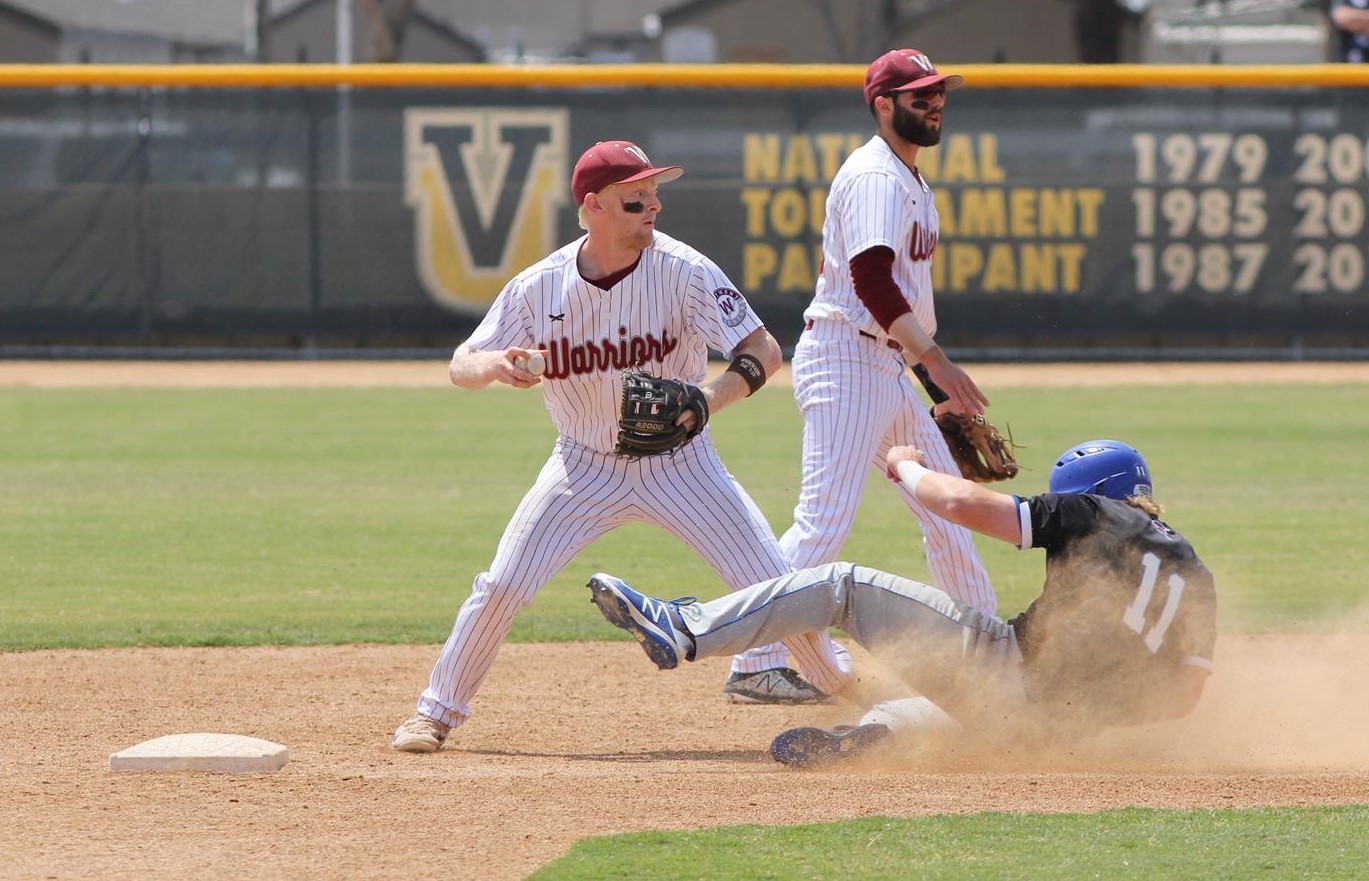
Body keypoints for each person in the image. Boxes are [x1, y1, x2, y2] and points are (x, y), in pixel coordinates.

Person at [390, 140, 854, 753]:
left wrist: (707, 401)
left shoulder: (685, 270)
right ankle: (436, 712)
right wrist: (494, 365)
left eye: (655, 193)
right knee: (502, 585)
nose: (653, 206)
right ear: (593, 206)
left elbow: (762, 350)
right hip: (582, 468)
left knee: (777, 590)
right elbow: (461, 363)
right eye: (636, 197)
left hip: (682, 464)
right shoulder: (540, 287)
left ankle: (856, 694)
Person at [588, 439, 1217, 767]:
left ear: (1091, 490)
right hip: (1050, 731)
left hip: (1004, 673)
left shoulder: (1092, 511)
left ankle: (685, 627)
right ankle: (869, 738)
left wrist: (906, 467)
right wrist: (1085, 712)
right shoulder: (1197, 576)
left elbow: (961, 504)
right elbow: (1183, 698)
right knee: (928, 712)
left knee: (840, 585)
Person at [774, 47, 998, 645]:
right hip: (846, 360)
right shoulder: (876, 175)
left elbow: (897, 300)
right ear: (883, 104)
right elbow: (870, 279)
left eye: (939, 93)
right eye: (921, 96)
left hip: (884, 363)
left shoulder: (910, 178)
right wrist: (936, 362)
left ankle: (989, 653)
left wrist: (930, 383)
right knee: (822, 524)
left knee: (950, 511)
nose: (936, 103)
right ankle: (754, 659)